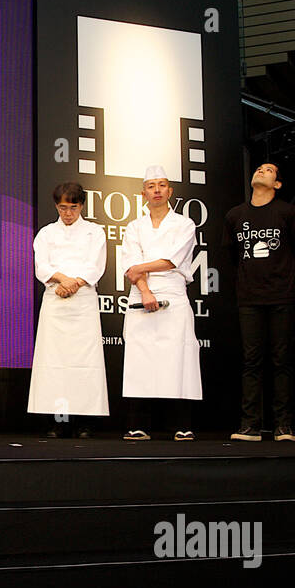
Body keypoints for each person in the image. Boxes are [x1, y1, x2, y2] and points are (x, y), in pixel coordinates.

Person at [223, 162, 295, 442]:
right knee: (251, 360)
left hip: (281, 295)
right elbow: (230, 256)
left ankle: (283, 424)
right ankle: (250, 424)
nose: (261, 171)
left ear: (278, 184)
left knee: (281, 359)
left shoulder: (286, 211)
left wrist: (286, 275)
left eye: (269, 170)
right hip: (249, 297)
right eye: (259, 168)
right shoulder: (235, 215)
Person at [121, 166, 201, 441]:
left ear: (170, 191)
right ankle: (137, 424)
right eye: (151, 186)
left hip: (173, 292)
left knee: (177, 358)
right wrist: (144, 291)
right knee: (139, 359)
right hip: (141, 295)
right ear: (143, 193)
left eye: (162, 185)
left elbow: (171, 260)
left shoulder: (184, 224)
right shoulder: (134, 227)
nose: (156, 190)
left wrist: (140, 268)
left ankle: (182, 424)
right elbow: (130, 268)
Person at [29, 182, 109, 437]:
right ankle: (57, 421)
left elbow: (96, 265)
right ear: (56, 206)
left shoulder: (95, 232)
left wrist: (75, 283)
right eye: (63, 208)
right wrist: (63, 280)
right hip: (55, 298)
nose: (68, 213)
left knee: (84, 363)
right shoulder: (46, 233)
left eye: (73, 208)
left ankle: (85, 421)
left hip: (83, 299)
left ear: (81, 206)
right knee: (54, 362)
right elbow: (42, 266)